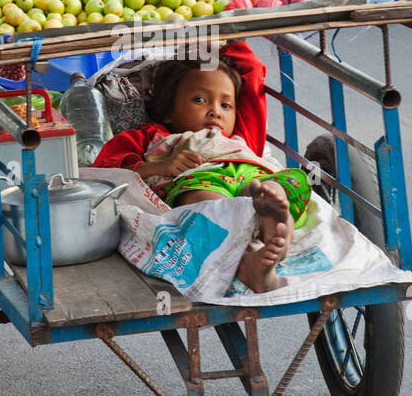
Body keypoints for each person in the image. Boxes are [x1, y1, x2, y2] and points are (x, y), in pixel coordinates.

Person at [94, 55, 314, 292]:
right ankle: (248, 259)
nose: (215, 112)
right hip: (200, 182)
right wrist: (161, 166)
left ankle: (273, 222)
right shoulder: (150, 136)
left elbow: (253, 69)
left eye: (226, 105)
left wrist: (216, 36)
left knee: (285, 184)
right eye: (200, 100)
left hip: (252, 178)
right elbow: (106, 170)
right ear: (168, 111)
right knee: (207, 202)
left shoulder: (241, 134)